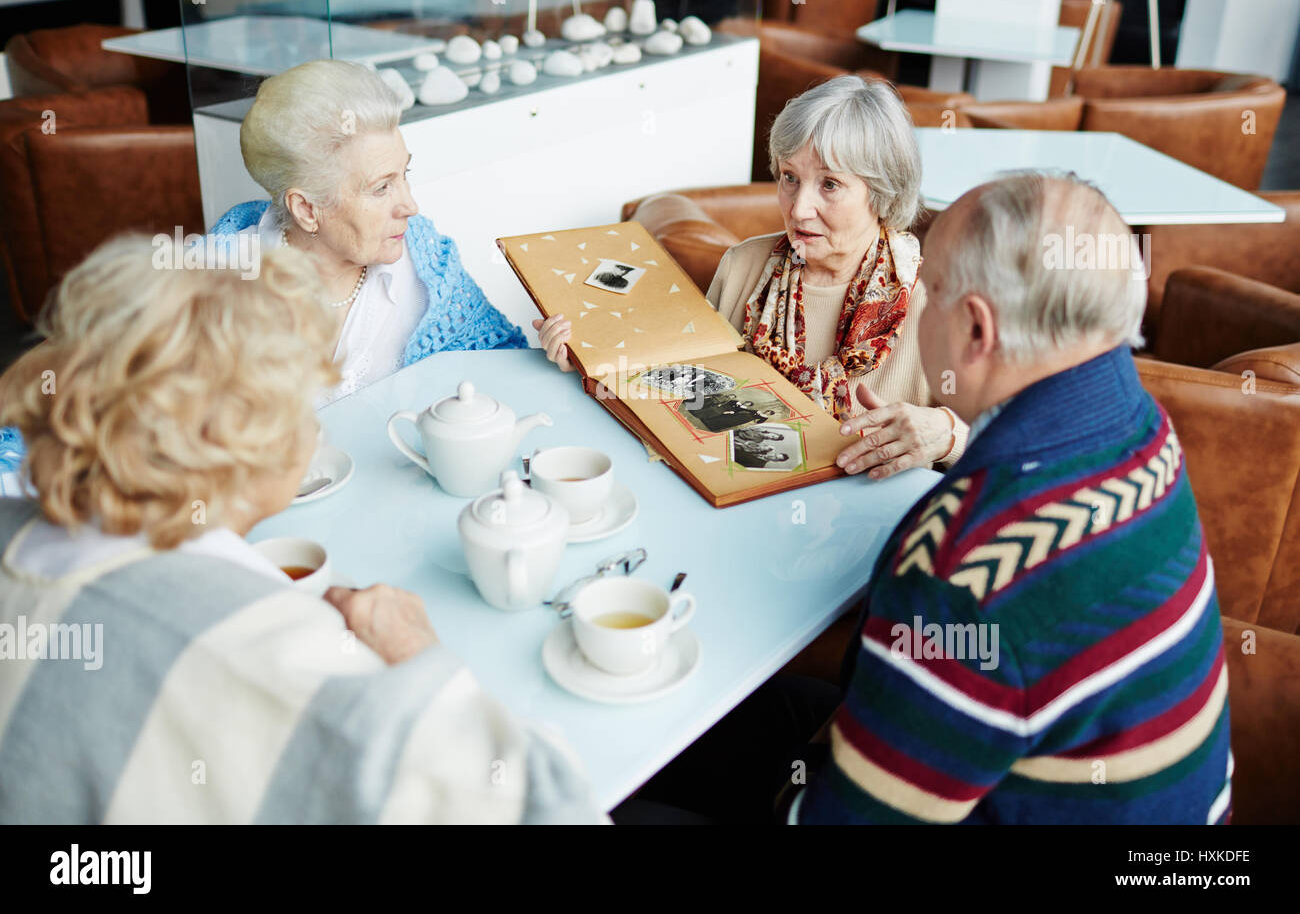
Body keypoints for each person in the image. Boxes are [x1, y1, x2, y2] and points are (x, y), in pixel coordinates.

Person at [0, 235, 603, 824]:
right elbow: (553, 809)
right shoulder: (282, 666)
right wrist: (423, 658)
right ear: (241, 441)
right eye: (303, 400)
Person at [791, 173, 1232, 823]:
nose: (918, 302)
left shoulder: (962, 572)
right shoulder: (1139, 423)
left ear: (975, 329)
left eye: (930, 287)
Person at [536, 74, 968, 479]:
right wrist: (588, 360)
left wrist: (947, 433)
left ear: (883, 191)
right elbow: (683, 388)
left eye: (830, 185)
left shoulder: (938, 303)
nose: (799, 209)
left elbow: (1013, 447)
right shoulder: (743, 264)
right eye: (789, 178)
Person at [212, 58, 526, 406]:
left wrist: (553, 364)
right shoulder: (212, 288)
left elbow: (497, 357)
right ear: (306, 209)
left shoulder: (427, 262)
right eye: (381, 188)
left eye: (405, 174)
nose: (410, 205)